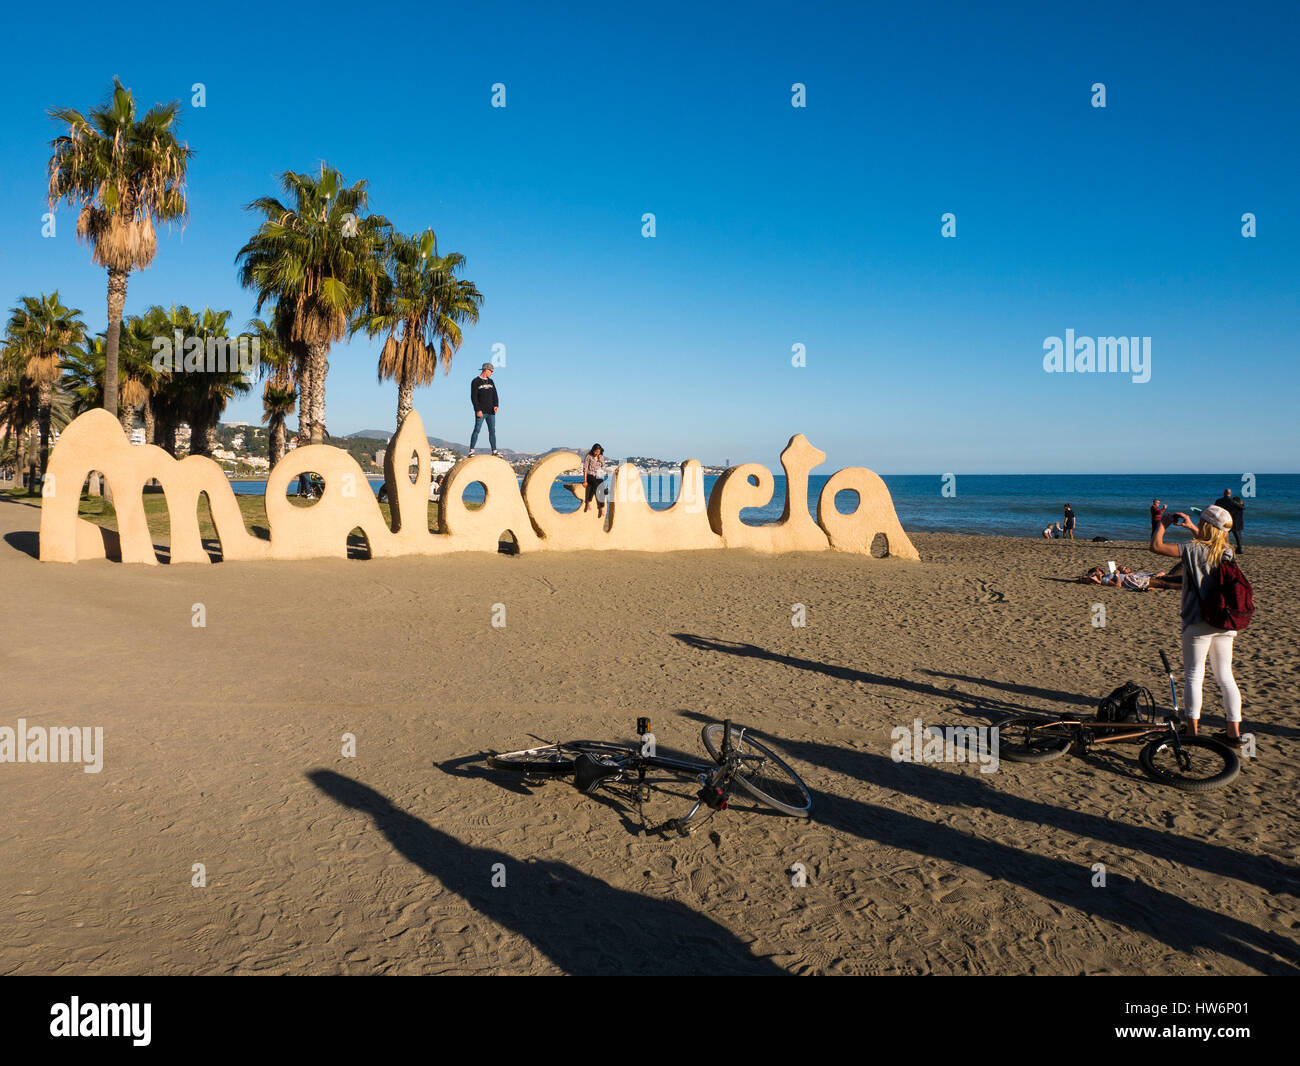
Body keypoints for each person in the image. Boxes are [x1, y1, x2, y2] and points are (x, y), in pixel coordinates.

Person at [1150, 504, 1243, 744]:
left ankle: (1192, 732)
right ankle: (1234, 733)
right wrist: (1192, 526)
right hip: (1225, 620)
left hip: (1197, 620)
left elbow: (1156, 547)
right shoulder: (1227, 551)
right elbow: (1209, 544)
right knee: (1225, 676)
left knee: (1194, 675)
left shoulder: (1192, 549)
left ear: (1205, 526)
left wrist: (1163, 523)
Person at [468, 363, 500, 457]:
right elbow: (473, 397)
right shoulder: (475, 381)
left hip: (491, 412)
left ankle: (494, 451)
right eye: (491, 371)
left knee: (492, 431)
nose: (492, 373)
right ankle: (471, 450)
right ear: (486, 370)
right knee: (477, 430)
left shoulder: (491, 381)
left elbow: (495, 394)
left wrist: (496, 405)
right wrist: (477, 410)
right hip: (481, 411)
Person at [582, 443, 608, 518]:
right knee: (595, 484)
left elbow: (604, 467)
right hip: (590, 475)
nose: (597, 453)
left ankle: (602, 507)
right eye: (596, 451)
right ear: (593, 450)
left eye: (598, 451)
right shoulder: (589, 456)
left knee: (602, 487)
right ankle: (589, 502)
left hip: (598, 476)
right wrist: (585, 481)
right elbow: (585, 469)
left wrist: (611, 472)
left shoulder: (601, 457)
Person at [1218, 489, 1244, 553]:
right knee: (1238, 537)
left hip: (1225, 521)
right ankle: (1239, 549)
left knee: (1224, 535)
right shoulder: (1234, 503)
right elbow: (1242, 508)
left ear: (1224, 493)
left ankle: (1224, 548)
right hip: (1236, 522)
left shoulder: (1219, 501)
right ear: (1230, 494)